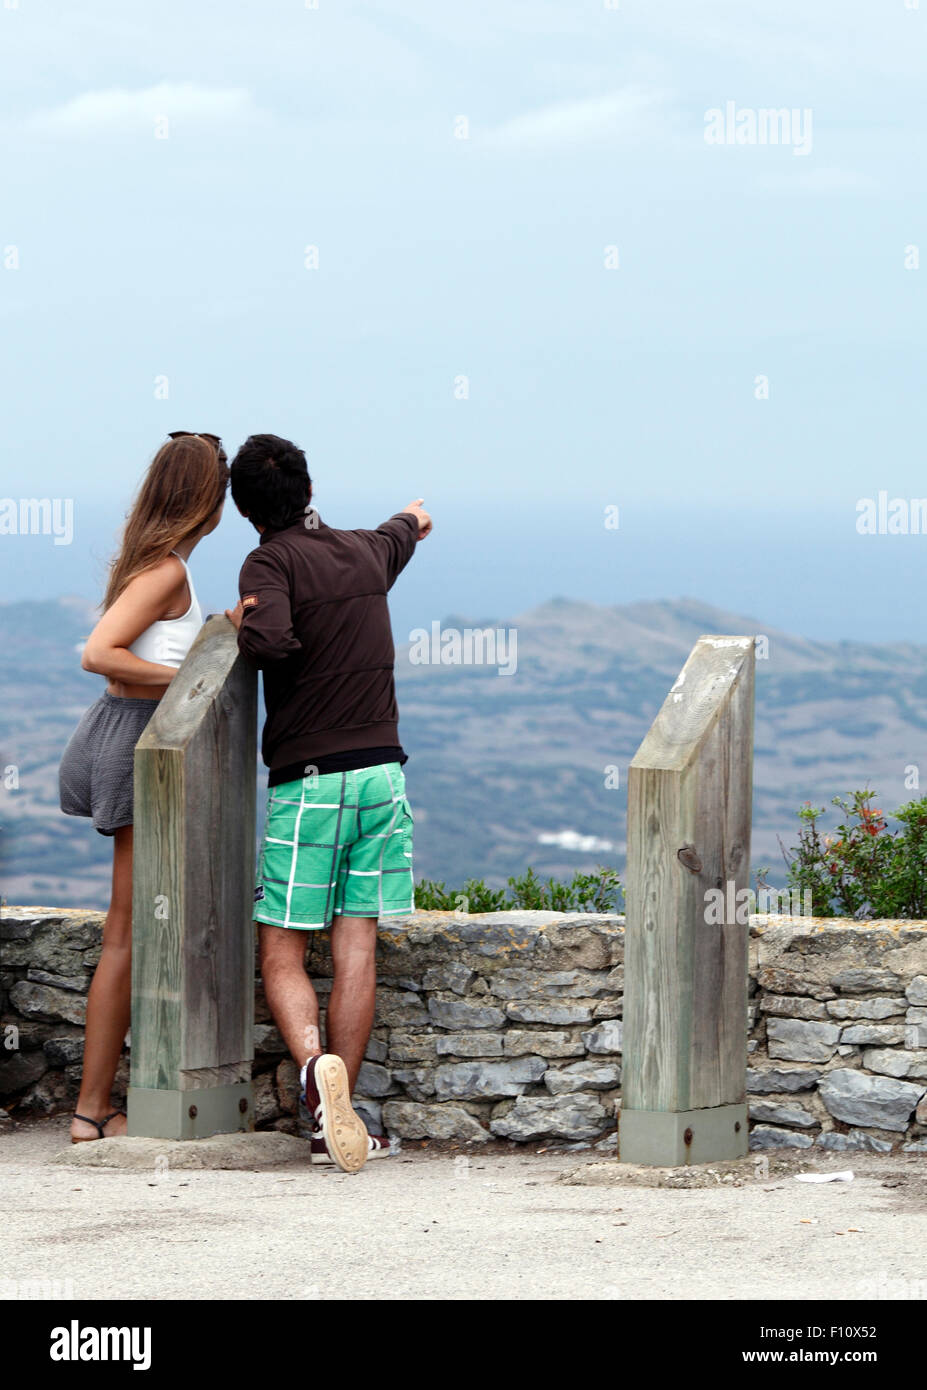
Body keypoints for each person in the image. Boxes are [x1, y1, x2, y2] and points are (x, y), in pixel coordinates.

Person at [225, 433, 431, 1174]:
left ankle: (316, 1075)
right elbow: (398, 533)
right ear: (309, 489)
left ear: (246, 509)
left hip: (310, 779)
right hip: (383, 773)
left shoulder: (268, 560)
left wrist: (240, 623)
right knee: (355, 944)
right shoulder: (364, 552)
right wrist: (414, 517)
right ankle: (340, 1120)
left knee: (281, 940)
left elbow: (272, 639)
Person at [59, 432, 230, 1143]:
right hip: (135, 746)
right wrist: (202, 670)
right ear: (207, 500)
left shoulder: (150, 566)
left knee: (129, 930)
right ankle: (91, 1108)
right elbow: (100, 655)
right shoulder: (164, 572)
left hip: (119, 734)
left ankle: (96, 1105)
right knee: (126, 934)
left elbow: (121, 667)